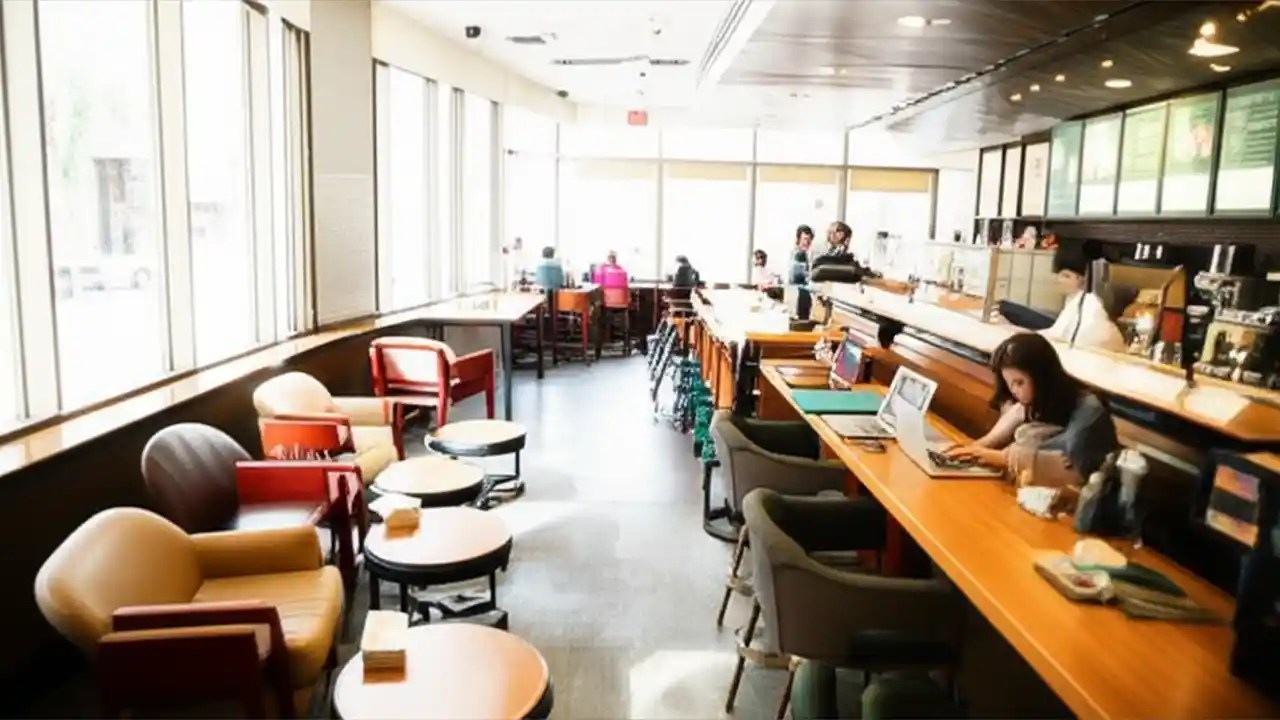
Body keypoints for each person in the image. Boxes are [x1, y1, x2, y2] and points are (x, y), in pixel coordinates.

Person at [945, 332, 1119, 488]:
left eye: (1019, 382)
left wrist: (993, 457)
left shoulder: (1089, 411)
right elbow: (1001, 430)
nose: (1014, 390)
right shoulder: (1035, 401)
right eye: (1009, 383)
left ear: (1042, 377)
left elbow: (1074, 471)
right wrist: (975, 448)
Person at [1040, 245, 1125, 352]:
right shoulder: (1073, 301)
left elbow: (1059, 338)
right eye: (1058, 275)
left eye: (1066, 276)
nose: (1059, 280)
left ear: (1083, 280)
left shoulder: (1088, 305)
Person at [792, 225, 815, 318]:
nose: (807, 242)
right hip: (796, 291)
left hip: (807, 291)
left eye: (809, 240)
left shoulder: (810, 254)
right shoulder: (794, 254)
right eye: (804, 239)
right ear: (798, 239)